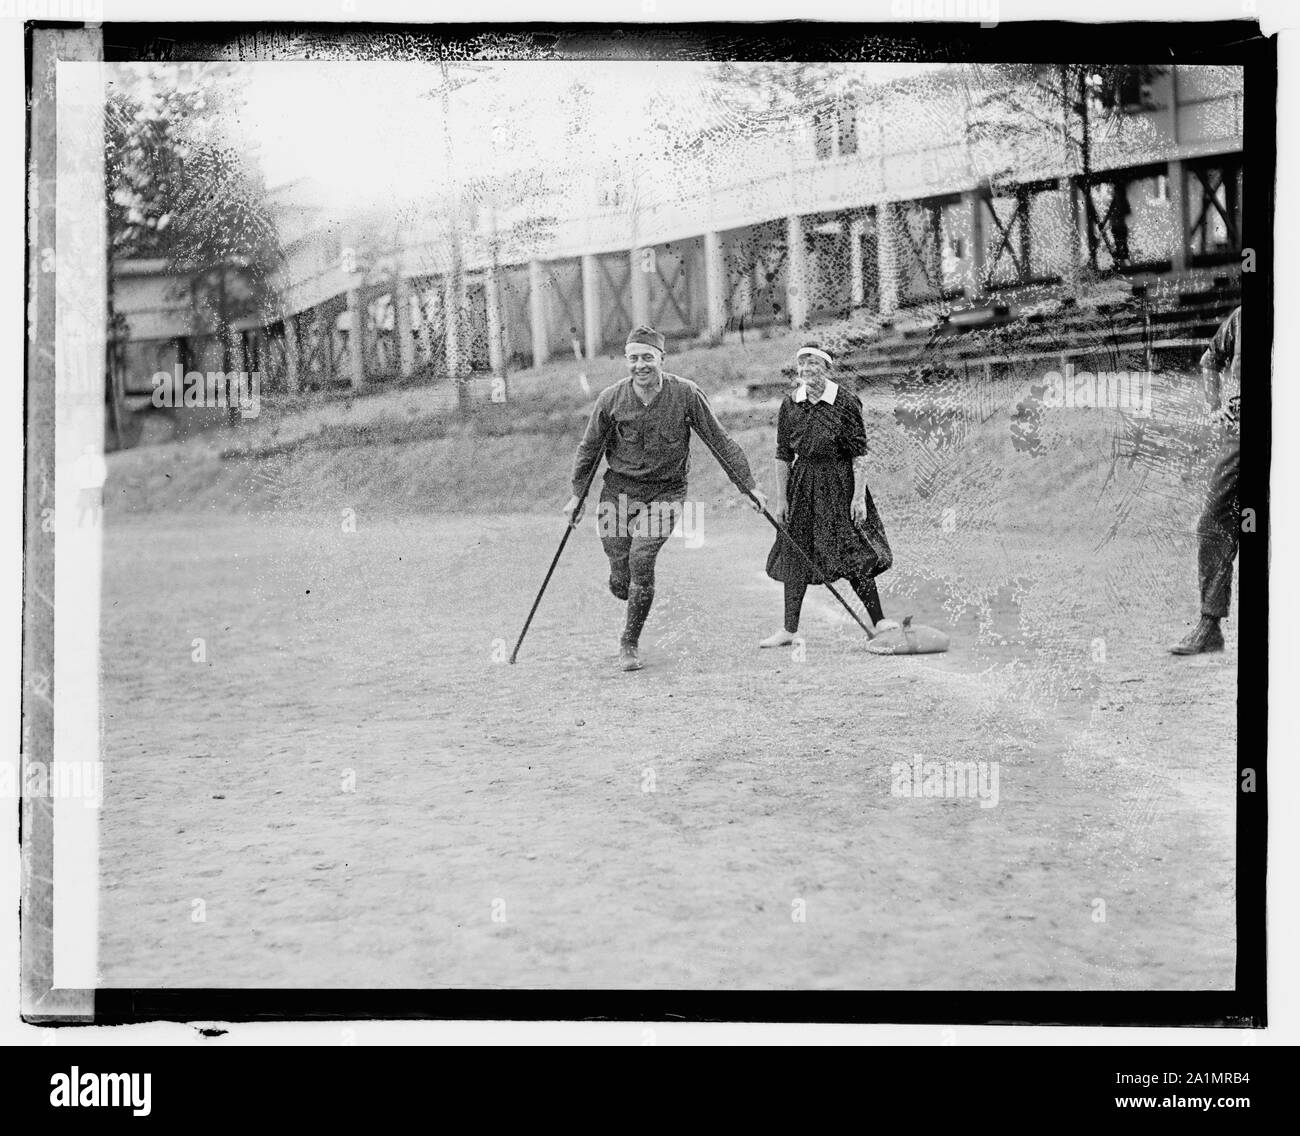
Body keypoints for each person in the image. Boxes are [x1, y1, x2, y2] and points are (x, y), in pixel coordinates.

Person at [564, 326, 766, 672]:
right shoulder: (611, 400)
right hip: (619, 491)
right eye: (633, 358)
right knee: (619, 561)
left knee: (642, 557)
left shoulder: (685, 394)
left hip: (666, 492)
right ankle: (619, 572)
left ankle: (629, 642)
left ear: (661, 358)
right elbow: (589, 449)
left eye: (647, 357)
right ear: (626, 361)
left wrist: (746, 486)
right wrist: (577, 495)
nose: (640, 365)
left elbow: (719, 440)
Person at [759, 342, 895, 648]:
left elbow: (859, 453)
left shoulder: (846, 402)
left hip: (839, 483)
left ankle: (879, 620)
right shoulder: (790, 404)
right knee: (796, 553)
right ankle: (788, 629)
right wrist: (782, 500)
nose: (807, 371)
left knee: (852, 551)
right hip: (803, 484)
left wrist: (858, 497)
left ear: (827, 368)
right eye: (802, 365)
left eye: (814, 365)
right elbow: (782, 455)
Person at [1171, 305, 1241, 656]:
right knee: (1215, 521)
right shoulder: (1241, 318)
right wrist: (1215, 407)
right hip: (1241, 435)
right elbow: (1209, 360)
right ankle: (1210, 625)